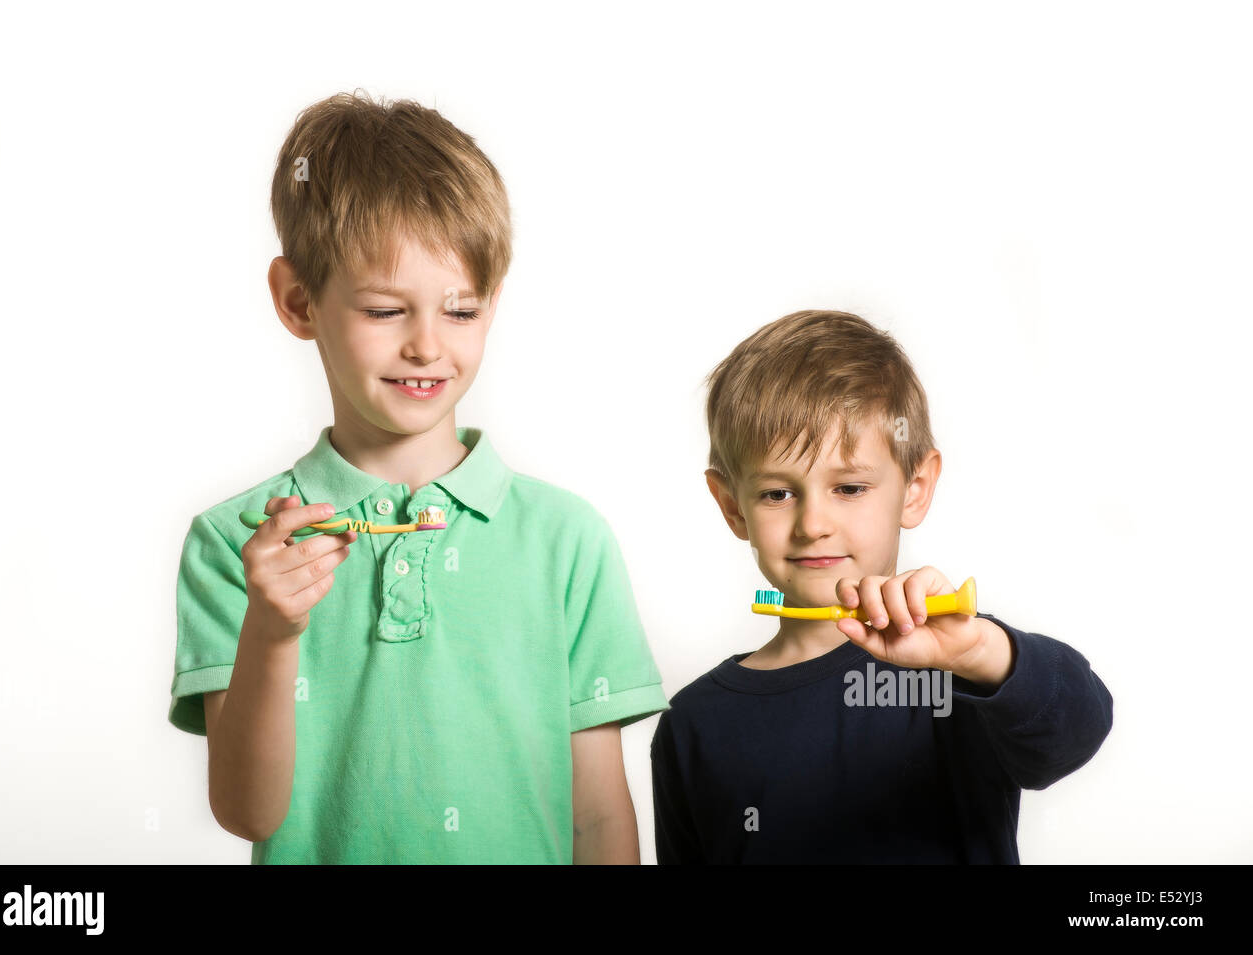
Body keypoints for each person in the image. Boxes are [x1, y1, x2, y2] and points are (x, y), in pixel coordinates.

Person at [169, 91, 668, 864]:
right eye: (383, 311)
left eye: (461, 310)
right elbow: (247, 810)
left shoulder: (568, 541)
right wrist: (272, 631)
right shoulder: (234, 544)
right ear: (298, 300)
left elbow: (599, 818)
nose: (427, 346)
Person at [650, 310, 1113, 863]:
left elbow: (1078, 729)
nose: (813, 523)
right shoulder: (693, 726)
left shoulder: (961, 673)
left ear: (915, 489)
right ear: (732, 506)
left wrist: (979, 651)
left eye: (848, 487)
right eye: (778, 493)